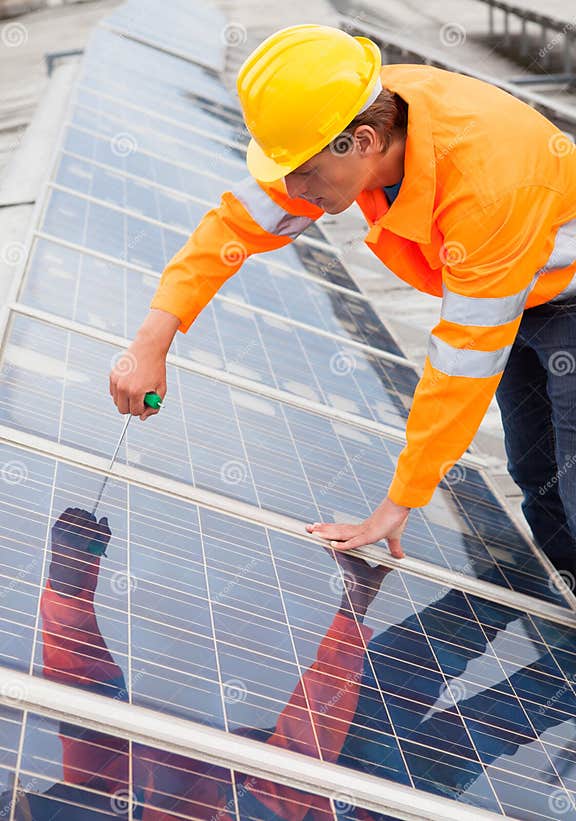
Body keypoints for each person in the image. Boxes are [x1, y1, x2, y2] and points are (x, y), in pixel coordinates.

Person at [109, 24, 576, 572]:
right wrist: (149, 344)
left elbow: (463, 359)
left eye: (304, 173)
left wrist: (398, 504)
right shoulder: (348, 116)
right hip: (517, 290)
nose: (295, 191)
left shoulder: (488, 189)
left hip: (557, 293)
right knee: (538, 476)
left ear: (364, 142)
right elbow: (231, 231)